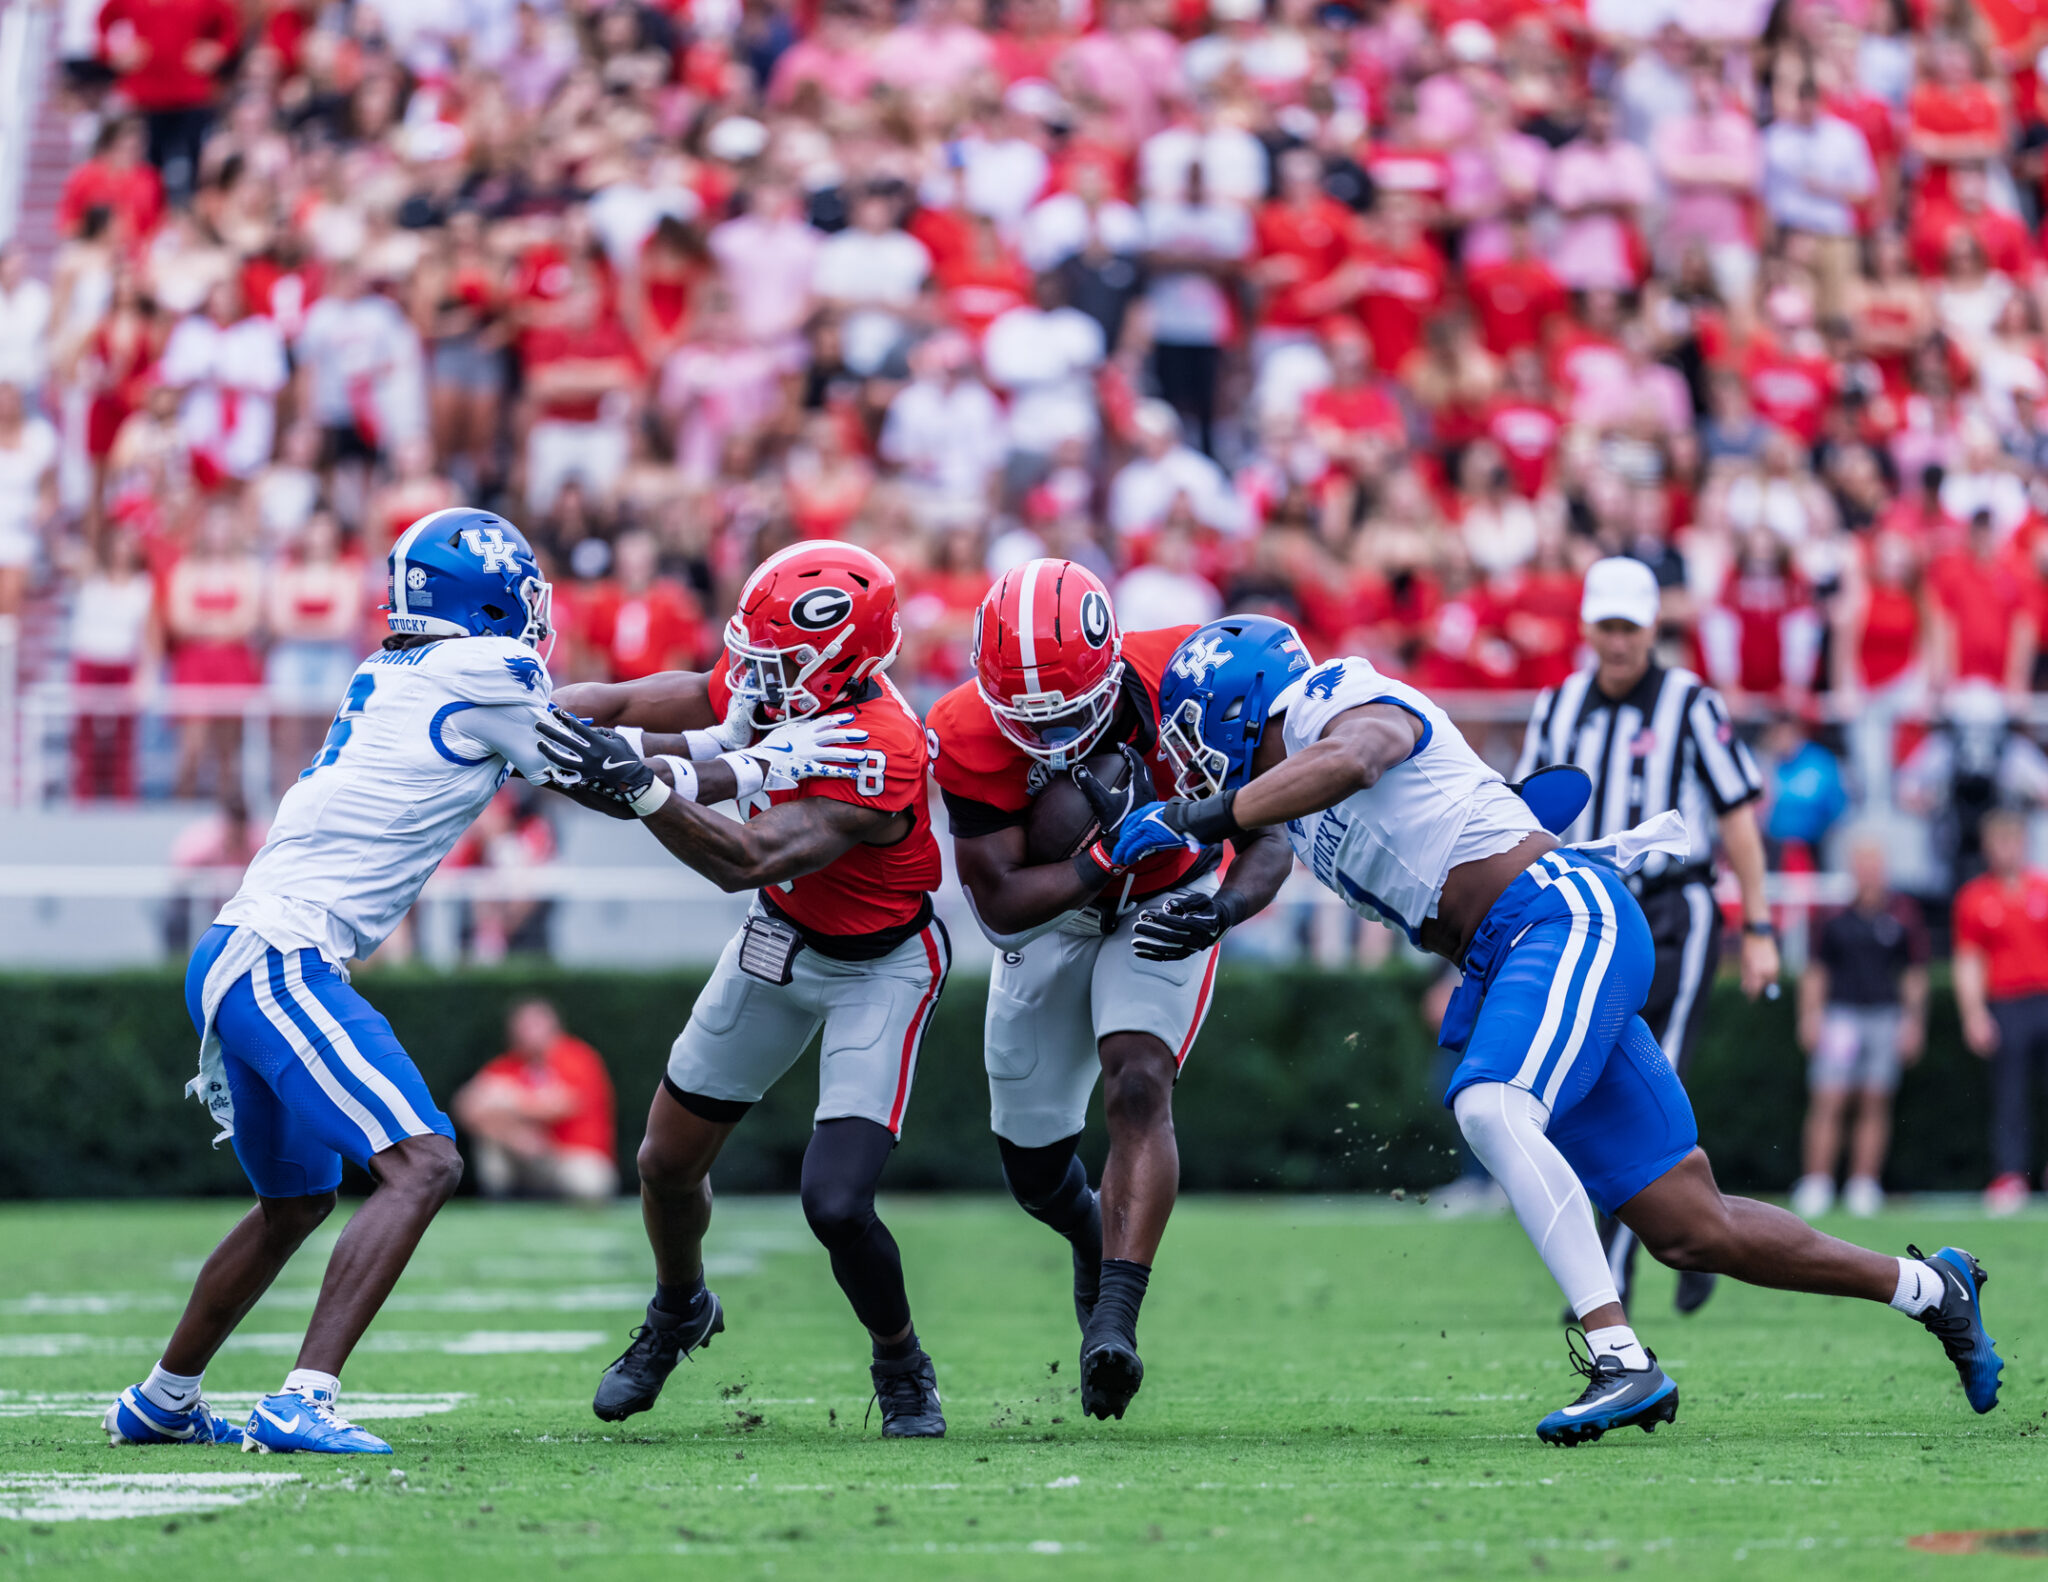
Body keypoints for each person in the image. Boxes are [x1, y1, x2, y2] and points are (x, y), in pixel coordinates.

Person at [1115, 619, 2004, 1444]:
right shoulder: (1287, 795)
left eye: (1193, 728)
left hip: (1557, 918)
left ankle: (1620, 1359)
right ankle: (1930, 1288)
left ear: (1244, 702)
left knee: (1494, 1108)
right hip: (1514, 951)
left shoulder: (1334, 698)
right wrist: (1222, 907)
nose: (1190, 756)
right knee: (1693, 1227)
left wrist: (1200, 817)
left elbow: (1356, 756)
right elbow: (1274, 836)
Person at [103, 508, 560, 1456]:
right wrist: (734, 748)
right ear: (482, 601)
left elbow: (604, 707)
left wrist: (721, 710)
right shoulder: (486, 672)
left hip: (241, 947)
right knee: (423, 1162)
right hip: (283, 954)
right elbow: (603, 748)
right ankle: (302, 1398)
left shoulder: (398, 668)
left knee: (298, 1204)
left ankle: (162, 1400)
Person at [540, 542, 952, 1438]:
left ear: (839, 659)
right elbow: (675, 700)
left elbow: (747, 857)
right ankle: (679, 1309)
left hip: (879, 964)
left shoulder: (881, 745)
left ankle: (901, 1361)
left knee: (836, 1204)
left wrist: (638, 790)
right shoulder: (782, 679)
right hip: (780, 940)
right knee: (663, 1163)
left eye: (777, 659)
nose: (754, 676)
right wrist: (542, 715)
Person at [924, 564, 1296, 1422]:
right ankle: (1091, 1237)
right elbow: (1003, 908)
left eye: (1064, 707)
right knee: (1034, 1168)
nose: (1048, 732)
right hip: (1055, 914)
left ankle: (1114, 1323)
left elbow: (1275, 829)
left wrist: (1225, 907)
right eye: (1028, 715)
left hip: (1171, 894)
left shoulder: (1191, 677)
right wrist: (1100, 857)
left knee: (1138, 1083)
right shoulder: (967, 728)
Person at [1514, 557, 1778, 1319]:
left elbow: (1737, 815)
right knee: (1604, 1090)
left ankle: (1616, 1277)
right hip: (1590, 916)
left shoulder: (1692, 702)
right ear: (1588, 627)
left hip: (1676, 912)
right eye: (1608, 625)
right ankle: (1703, 1231)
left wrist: (1758, 925)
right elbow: (1527, 816)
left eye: (1631, 626)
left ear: (1653, 627)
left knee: (1665, 1080)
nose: (1619, 641)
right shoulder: (1558, 704)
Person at [1792, 833, 1930, 1219]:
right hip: (1841, 1017)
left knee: (1875, 1098)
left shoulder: (1902, 914)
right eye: (1862, 865)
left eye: (1875, 865)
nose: (1869, 873)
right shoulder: (1834, 917)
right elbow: (1816, 972)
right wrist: (1810, 1015)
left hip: (1885, 1016)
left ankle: (1863, 1182)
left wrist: (1913, 1020)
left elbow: (1914, 974)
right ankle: (1817, 1181)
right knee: (1829, 1098)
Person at [1952, 808, 2048, 1216]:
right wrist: (1973, 1012)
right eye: (1999, 841)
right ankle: (2010, 1174)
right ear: (1988, 846)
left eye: (2013, 840)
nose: (2006, 849)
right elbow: (1968, 960)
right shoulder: (1975, 898)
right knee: (2010, 1094)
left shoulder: (2042, 888)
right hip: (2007, 1003)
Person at [453, 999, 617, 1203]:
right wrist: (512, 1135)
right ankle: (497, 1198)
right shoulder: (506, 1065)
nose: (529, 1033)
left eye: (536, 1025)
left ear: (554, 1026)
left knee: (591, 1184)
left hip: (572, 1156)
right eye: (523, 1026)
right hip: (524, 1157)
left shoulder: (577, 1057)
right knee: (488, 1138)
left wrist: (509, 1100)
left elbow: (563, 1104)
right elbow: (466, 1107)